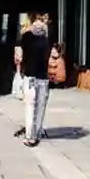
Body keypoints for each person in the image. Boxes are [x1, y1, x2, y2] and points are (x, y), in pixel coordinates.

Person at [14, 14, 52, 147]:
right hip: (44, 77)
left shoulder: (25, 36)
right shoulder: (48, 37)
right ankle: (37, 133)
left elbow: (18, 58)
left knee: (30, 107)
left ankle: (30, 136)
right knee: (41, 107)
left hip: (30, 76)